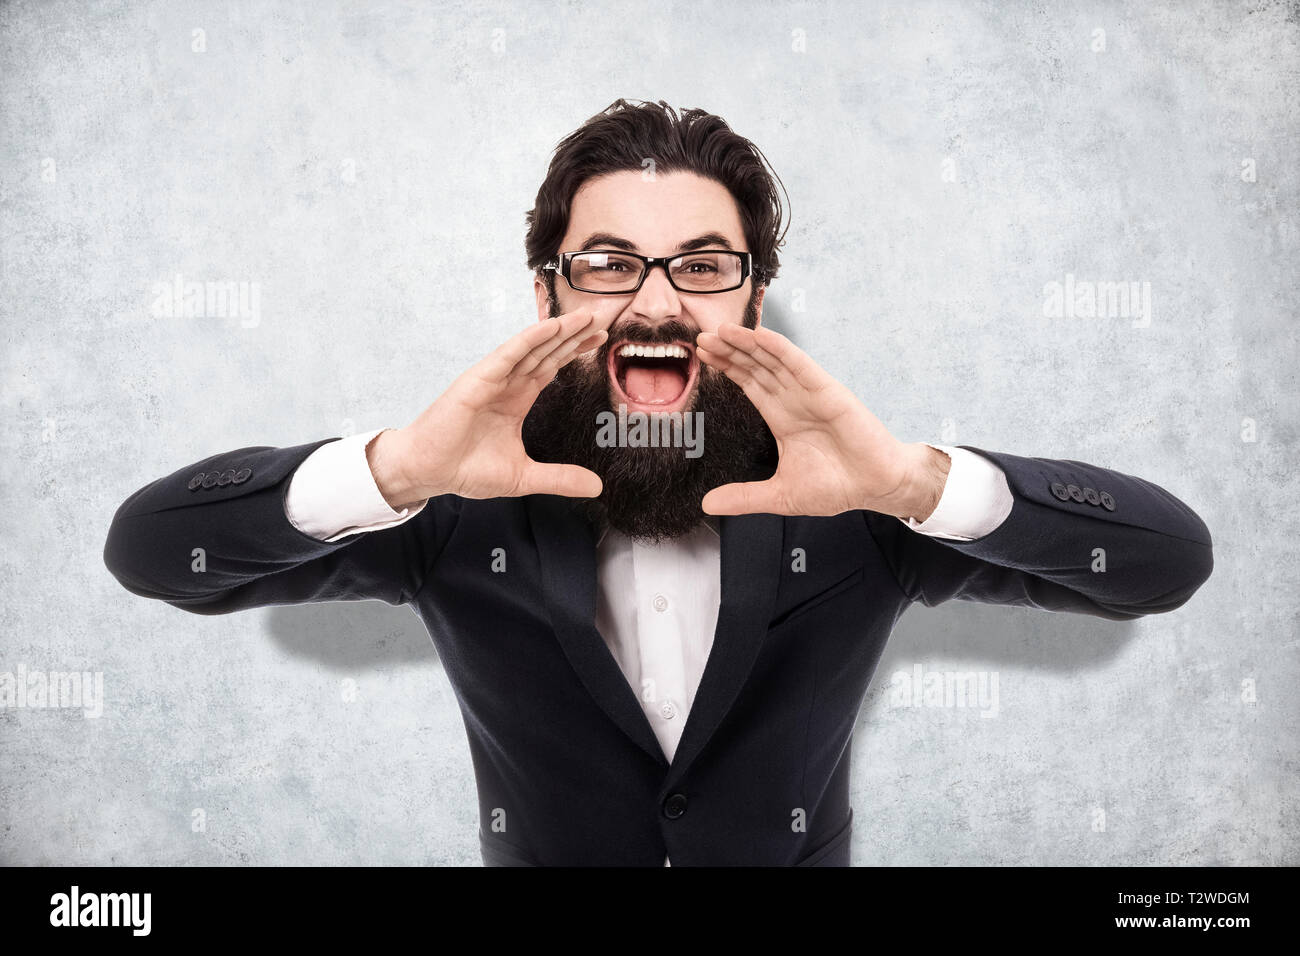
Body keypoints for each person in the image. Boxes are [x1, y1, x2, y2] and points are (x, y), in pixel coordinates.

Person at [103, 99, 1213, 866]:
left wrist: (915, 482)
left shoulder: (854, 501)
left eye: (703, 264)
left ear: (750, 303)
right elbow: (154, 551)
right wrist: (394, 468)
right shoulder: (451, 504)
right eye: (607, 263)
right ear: (547, 297)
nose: (656, 300)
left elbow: (1164, 562)